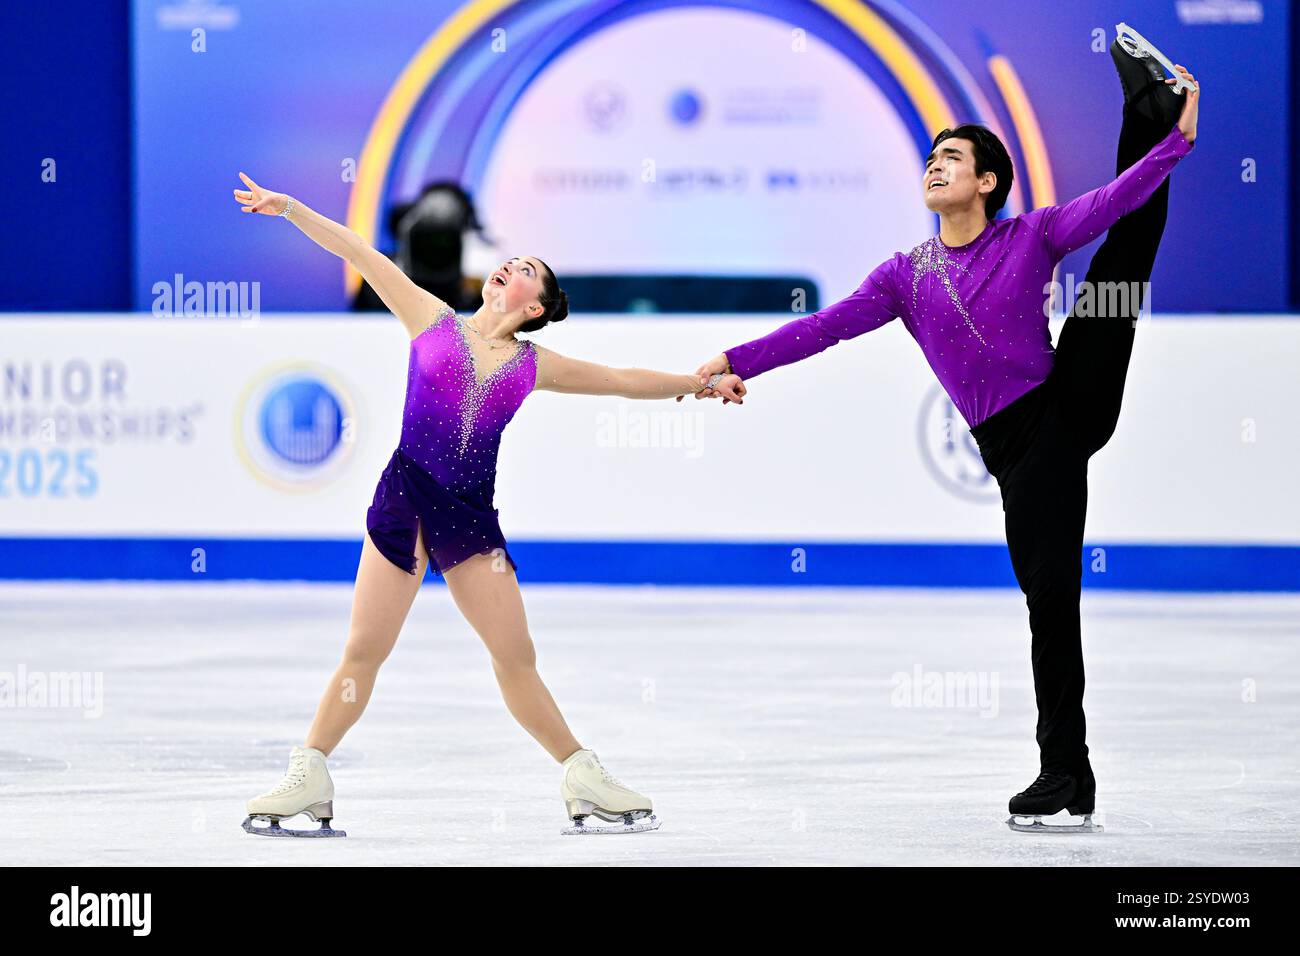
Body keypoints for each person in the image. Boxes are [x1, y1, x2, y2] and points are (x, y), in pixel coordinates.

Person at [692, 27, 1200, 831]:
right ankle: (1078, 771)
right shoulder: (904, 276)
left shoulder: (1028, 236)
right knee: (1047, 595)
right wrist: (736, 358)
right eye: (931, 154)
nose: (935, 162)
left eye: (952, 156)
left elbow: (1109, 204)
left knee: (1121, 259)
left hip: (1063, 410)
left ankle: (1061, 769)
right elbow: (821, 328)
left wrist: (1171, 144)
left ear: (987, 181)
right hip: (1013, 447)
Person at [232, 176, 707, 836]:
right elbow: (359, 253)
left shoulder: (532, 364)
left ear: (536, 305)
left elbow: (623, 382)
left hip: (469, 522)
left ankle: (581, 773)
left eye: (529, 271)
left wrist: (696, 384)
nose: (514, 265)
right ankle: (309, 772)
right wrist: (288, 208)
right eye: (513, 261)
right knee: (363, 651)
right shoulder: (431, 318)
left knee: (515, 659)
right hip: (403, 501)